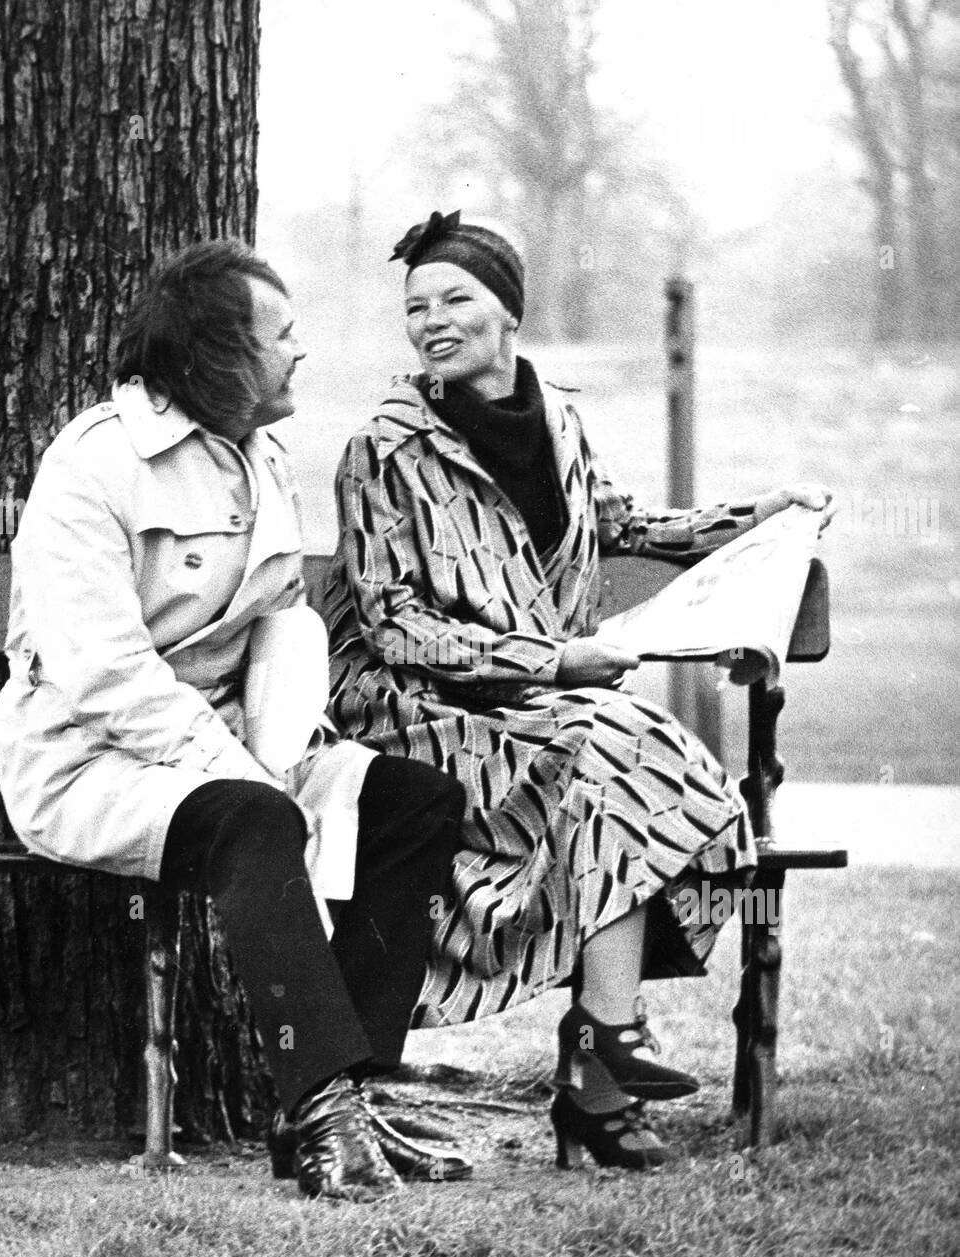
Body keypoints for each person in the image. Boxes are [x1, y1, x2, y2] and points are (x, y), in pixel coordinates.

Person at [323, 210, 833, 1170]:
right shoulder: (380, 451)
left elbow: (622, 526)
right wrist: (551, 663)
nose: (433, 320)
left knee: (642, 759)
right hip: (412, 713)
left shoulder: (559, 417)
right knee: (611, 752)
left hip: (537, 710)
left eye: (456, 298)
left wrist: (751, 516)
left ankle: (602, 1055)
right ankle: (602, 1063)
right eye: (416, 307)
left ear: (508, 312)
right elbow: (395, 627)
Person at [0, 240, 469, 1201]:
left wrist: (296, 750)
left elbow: (277, 630)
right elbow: (103, 677)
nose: (303, 351)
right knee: (257, 820)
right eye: (282, 334)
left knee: (416, 801)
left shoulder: (263, 461)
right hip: (88, 761)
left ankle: (353, 1099)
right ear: (215, 356)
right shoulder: (95, 466)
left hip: (229, 746)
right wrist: (241, 770)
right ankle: (322, 1109)